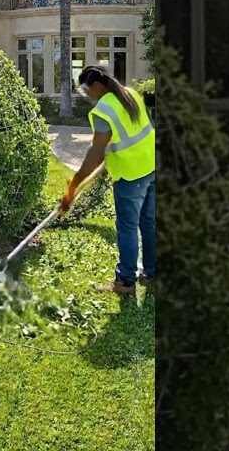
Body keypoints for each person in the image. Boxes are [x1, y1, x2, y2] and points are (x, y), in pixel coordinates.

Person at [59, 65, 155, 295]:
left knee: (127, 227)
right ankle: (152, 273)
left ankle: (126, 282)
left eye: (85, 90)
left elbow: (96, 153)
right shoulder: (130, 93)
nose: (86, 95)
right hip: (152, 165)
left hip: (131, 174)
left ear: (97, 85)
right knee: (149, 223)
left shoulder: (104, 109)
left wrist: (72, 186)